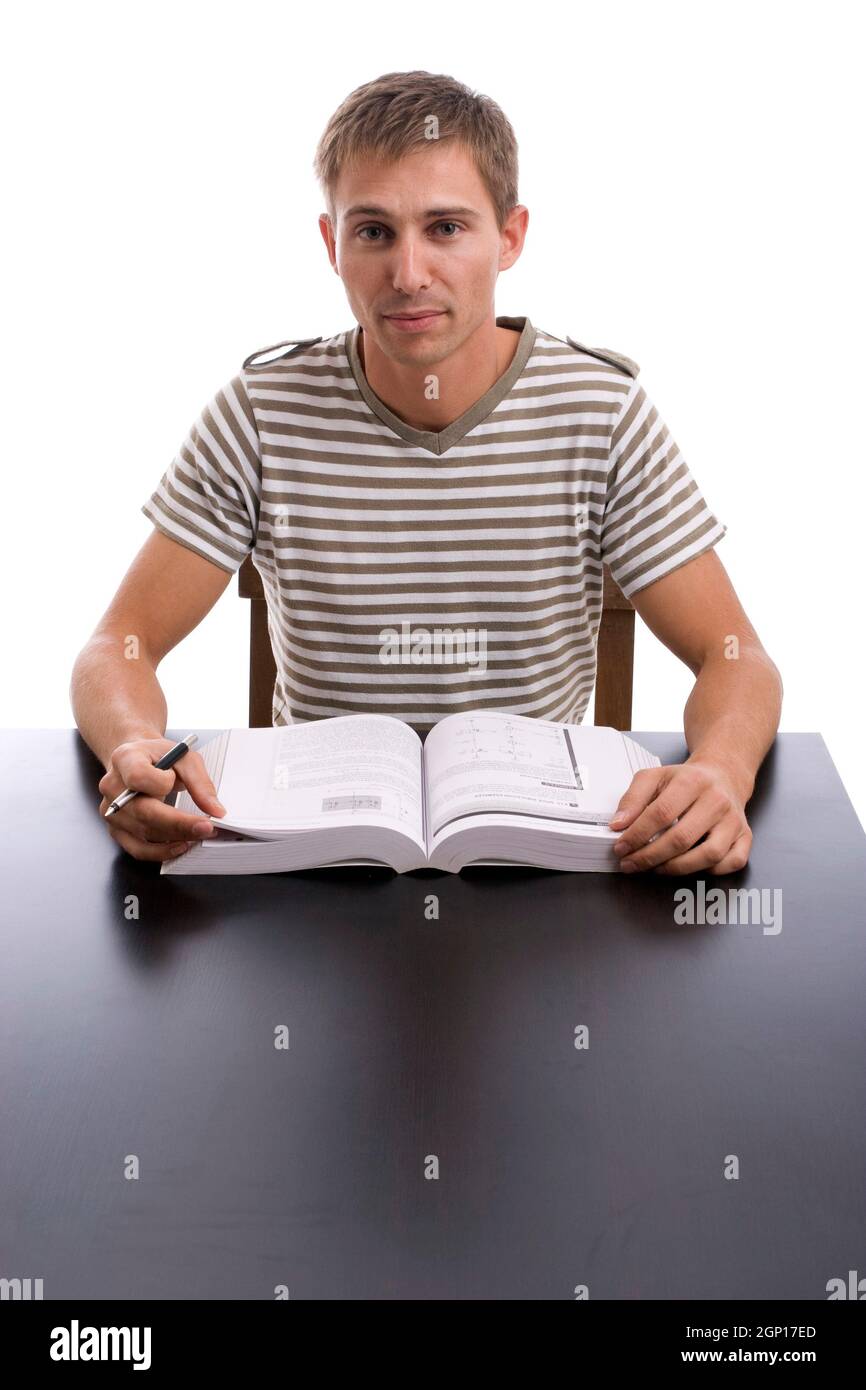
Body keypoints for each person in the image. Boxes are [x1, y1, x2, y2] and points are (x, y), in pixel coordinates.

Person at [70, 69, 782, 874]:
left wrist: (721, 770)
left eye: (445, 228)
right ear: (331, 242)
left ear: (510, 237)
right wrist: (133, 746)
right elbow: (117, 647)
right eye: (373, 231)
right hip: (315, 864)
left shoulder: (601, 411)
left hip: (533, 862)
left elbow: (735, 658)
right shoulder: (262, 412)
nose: (408, 274)